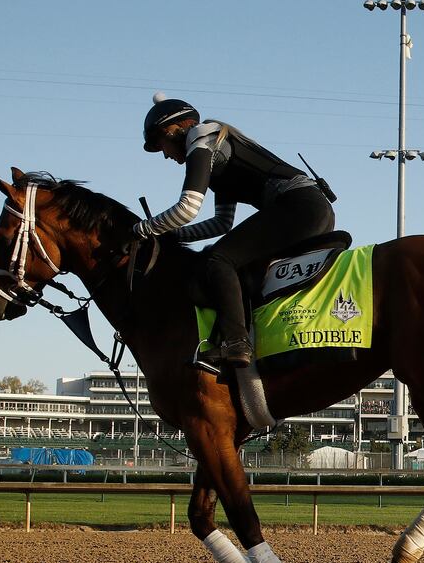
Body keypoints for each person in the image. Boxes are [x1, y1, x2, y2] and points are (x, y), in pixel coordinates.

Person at [135, 92, 336, 366]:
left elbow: (188, 207)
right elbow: (222, 224)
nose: (166, 156)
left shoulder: (200, 138)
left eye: (161, 146)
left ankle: (236, 343)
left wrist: (144, 229)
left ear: (173, 130)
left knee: (218, 260)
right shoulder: (216, 152)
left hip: (299, 208)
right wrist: (173, 235)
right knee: (231, 259)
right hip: (310, 209)